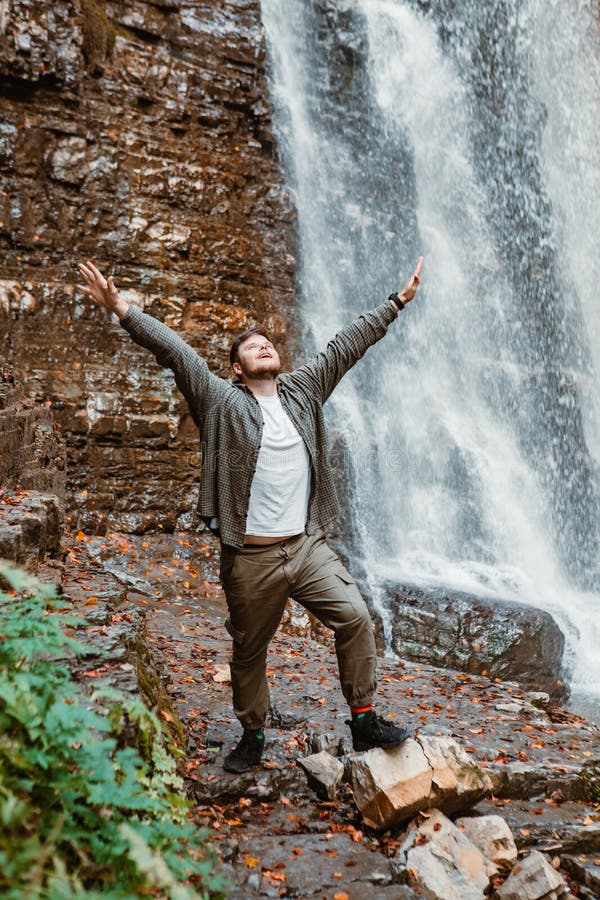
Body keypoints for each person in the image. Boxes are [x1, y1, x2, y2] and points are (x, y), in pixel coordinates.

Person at [77, 256, 424, 773]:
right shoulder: (219, 400)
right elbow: (175, 352)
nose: (264, 345)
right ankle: (254, 733)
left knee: (354, 618)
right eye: (250, 345)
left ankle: (364, 719)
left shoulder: (304, 391)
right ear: (237, 368)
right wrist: (121, 307)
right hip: (252, 556)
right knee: (249, 651)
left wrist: (395, 303)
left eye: (268, 342)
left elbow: (346, 345)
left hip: (305, 547)